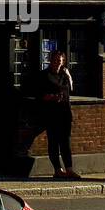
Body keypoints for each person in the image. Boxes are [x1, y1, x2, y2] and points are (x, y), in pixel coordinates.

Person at [35, 49, 79, 180]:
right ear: (50, 61)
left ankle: (69, 169)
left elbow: (69, 90)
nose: (58, 63)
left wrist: (69, 76)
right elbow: (39, 94)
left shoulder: (64, 74)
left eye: (60, 61)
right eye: (55, 61)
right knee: (53, 141)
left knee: (66, 141)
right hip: (51, 113)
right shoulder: (44, 75)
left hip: (64, 112)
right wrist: (50, 97)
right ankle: (57, 169)